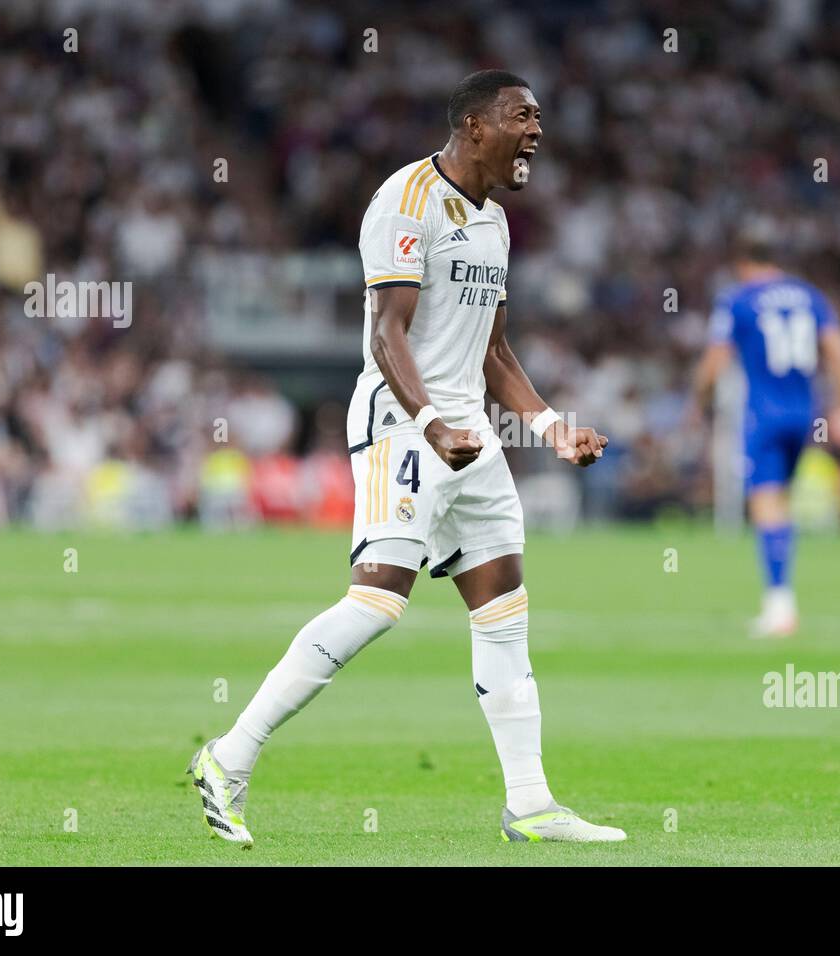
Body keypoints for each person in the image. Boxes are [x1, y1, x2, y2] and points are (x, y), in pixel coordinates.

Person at [189, 70, 625, 844]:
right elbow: (389, 334)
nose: (537, 131)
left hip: (470, 439)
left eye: (540, 117)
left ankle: (529, 803)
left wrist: (552, 427)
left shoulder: (495, 223)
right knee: (379, 601)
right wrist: (430, 423)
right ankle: (229, 756)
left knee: (503, 614)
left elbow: (493, 350)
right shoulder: (405, 201)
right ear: (475, 126)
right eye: (523, 116)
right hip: (402, 425)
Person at [694, 244, 840, 637]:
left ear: (744, 262)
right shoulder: (808, 294)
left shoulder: (738, 299)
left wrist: (699, 402)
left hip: (762, 414)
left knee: (766, 502)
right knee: (779, 501)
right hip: (804, 413)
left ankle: (779, 605)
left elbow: (716, 360)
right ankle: (781, 601)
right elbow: (838, 349)